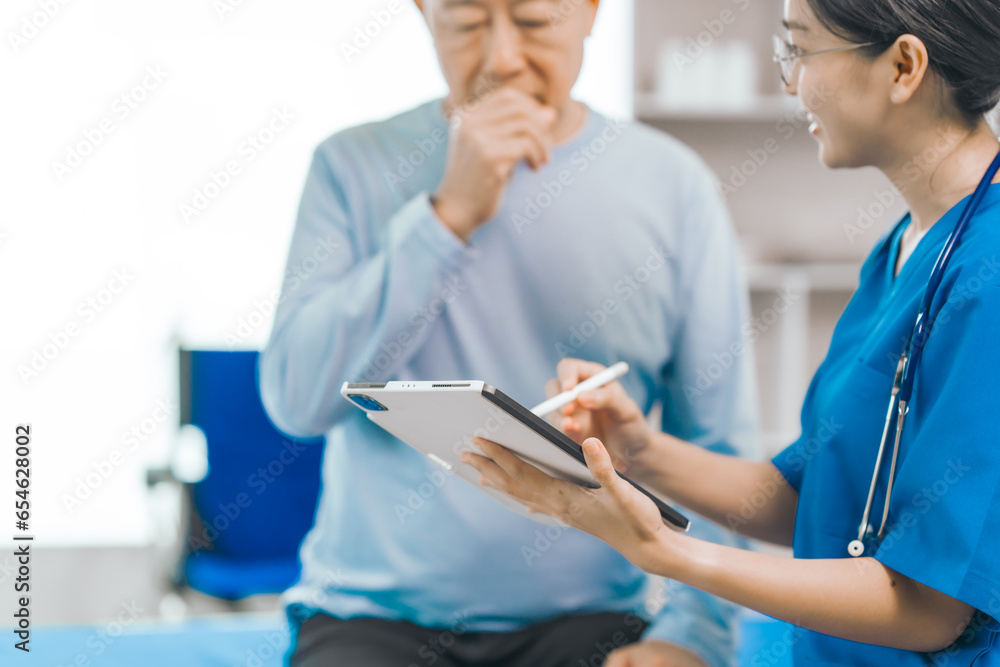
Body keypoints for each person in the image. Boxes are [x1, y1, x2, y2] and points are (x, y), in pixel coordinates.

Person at [463, 0, 1000, 664]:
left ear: (903, 67)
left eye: (800, 49)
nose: (790, 80)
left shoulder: (988, 271)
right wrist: (639, 449)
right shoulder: (906, 248)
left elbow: (929, 608)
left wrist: (663, 550)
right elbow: (811, 498)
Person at [258, 0, 762, 665]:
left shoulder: (675, 188)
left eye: (533, 20)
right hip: (371, 622)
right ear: (424, 12)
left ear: (590, 11)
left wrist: (691, 636)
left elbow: (721, 450)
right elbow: (297, 401)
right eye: (467, 21)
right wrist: (446, 219)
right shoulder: (349, 167)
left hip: (589, 622)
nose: (501, 58)